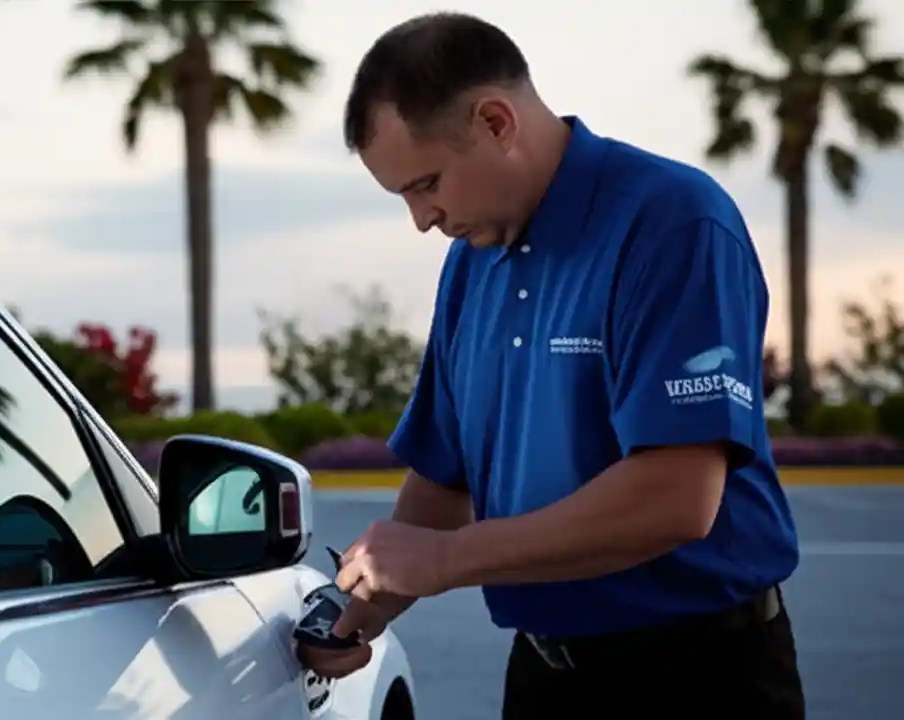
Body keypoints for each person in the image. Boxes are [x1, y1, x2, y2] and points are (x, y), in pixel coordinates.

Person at [298, 11, 805, 717]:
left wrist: (444, 562)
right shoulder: (472, 265)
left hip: (696, 678)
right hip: (544, 676)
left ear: (496, 122)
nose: (423, 219)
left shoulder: (674, 224)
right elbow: (445, 484)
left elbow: (676, 498)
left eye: (426, 184)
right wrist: (368, 603)